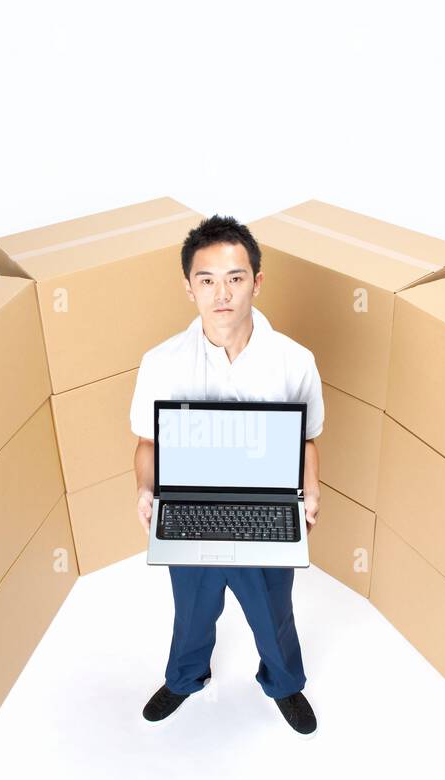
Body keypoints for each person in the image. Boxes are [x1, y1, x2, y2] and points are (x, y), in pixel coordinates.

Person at [129, 215, 324, 735]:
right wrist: (147, 489)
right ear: (188, 286)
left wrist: (311, 492)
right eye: (207, 280)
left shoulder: (295, 361)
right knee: (191, 609)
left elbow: (306, 440)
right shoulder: (160, 363)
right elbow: (147, 444)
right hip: (190, 506)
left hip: (264, 509)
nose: (222, 294)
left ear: (257, 282)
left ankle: (283, 684)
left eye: (236, 278)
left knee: (272, 612)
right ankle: (186, 677)